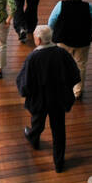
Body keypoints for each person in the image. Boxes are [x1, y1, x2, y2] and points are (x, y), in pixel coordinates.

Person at [16, 24, 80, 173]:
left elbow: (24, 82)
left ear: (38, 40)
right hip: (58, 99)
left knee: (37, 122)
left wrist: (26, 92)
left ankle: (34, 138)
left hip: (40, 100)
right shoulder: (62, 53)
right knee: (58, 130)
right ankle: (59, 162)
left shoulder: (33, 57)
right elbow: (74, 74)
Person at [48, 0, 92, 100]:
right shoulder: (88, 7)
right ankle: (77, 91)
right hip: (82, 42)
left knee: (63, 63)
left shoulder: (61, 5)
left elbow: (51, 22)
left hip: (64, 41)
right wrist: (88, 31)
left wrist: (53, 33)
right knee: (81, 65)